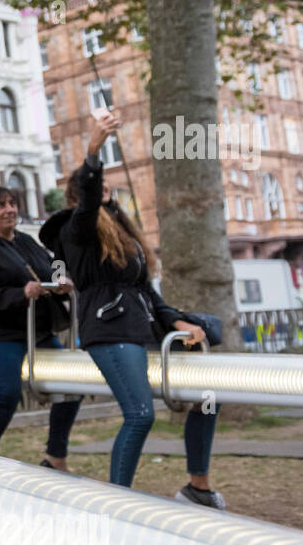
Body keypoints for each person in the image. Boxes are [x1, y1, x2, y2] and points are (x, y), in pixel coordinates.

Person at [52, 110, 225, 508]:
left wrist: (178, 321)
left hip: (143, 329)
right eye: (96, 186)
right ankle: (118, 504)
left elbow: (148, 293)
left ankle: (197, 487)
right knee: (139, 415)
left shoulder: (125, 237)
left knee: (207, 394)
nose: (104, 189)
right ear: (79, 195)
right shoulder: (75, 230)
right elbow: (89, 195)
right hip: (110, 331)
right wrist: (94, 147)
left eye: (108, 185)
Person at [0, 186, 81, 470]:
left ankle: (55, 457)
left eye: (12, 203)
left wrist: (62, 283)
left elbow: (50, 270)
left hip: (33, 329)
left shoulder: (26, 241)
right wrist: (19, 293)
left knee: (73, 383)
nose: (9, 209)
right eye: (1, 205)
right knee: (5, 391)